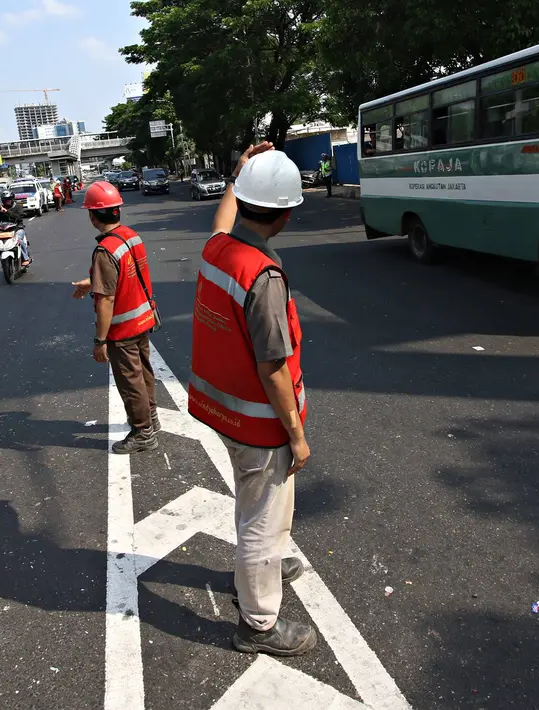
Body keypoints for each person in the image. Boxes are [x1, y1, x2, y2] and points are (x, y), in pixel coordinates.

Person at [189, 143, 315, 656]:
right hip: (262, 424)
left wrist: (238, 172)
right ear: (284, 216)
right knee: (265, 515)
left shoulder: (219, 250)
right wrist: (297, 436)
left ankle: (259, 566)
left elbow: (224, 218)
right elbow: (274, 368)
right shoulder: (262, 277)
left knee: (252, 501)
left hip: (227, 412)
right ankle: (259, 623)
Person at [71, 181, 158, 454]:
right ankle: (151, 420)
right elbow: (125, 275)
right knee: (144, 374)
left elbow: (106, 300)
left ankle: (143, 433)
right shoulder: (131, 236)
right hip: (145, 318)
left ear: (92, 216)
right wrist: (92, 282)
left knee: (130, 382)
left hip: (124, 328)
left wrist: (100, 340)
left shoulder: (104, 251)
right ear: (117, 210)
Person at [0, 194, 32, 266]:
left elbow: (19, 217)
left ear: (12, 200)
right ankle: (3, 260)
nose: (6, 202)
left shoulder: (18, 207)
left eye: (8, 200)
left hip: (17, 228)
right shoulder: (0, 209)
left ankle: (26, 258)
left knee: (18, 240)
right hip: (5, 230)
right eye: (5, 200)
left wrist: (7, 212)